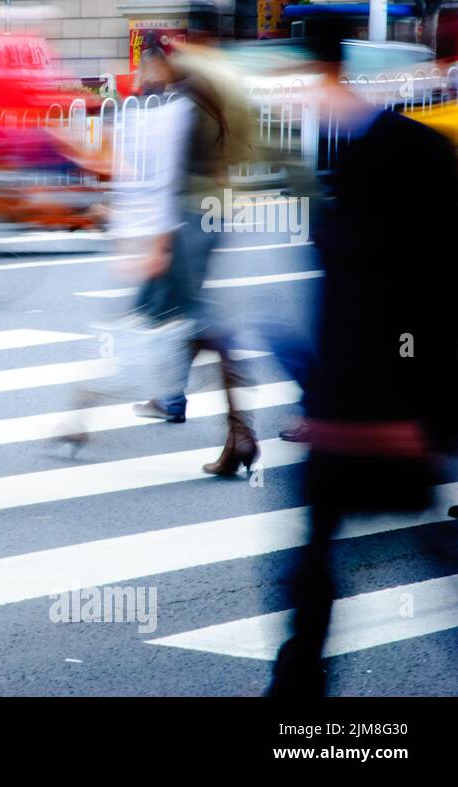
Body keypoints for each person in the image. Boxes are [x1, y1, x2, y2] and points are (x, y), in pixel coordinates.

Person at [268, 20, 458, 697]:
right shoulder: (356, 152)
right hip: (353, 401)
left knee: (416, 551)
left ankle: (296, 694)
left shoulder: (404, 153)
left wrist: (428, 410)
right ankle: (295, 693)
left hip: (387, 404)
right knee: (319, 557)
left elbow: (431, 292)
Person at [126, 41, 259, 477]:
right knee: (180, 309)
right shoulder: (221, 86)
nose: (146, 75)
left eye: (149, 65)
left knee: (187, 314)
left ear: (164, 59)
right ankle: (174, 397)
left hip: (188, 216)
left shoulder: (184, 100)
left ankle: (239, 430)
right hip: (217, 208)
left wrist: (159, 242)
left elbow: (166, 177)